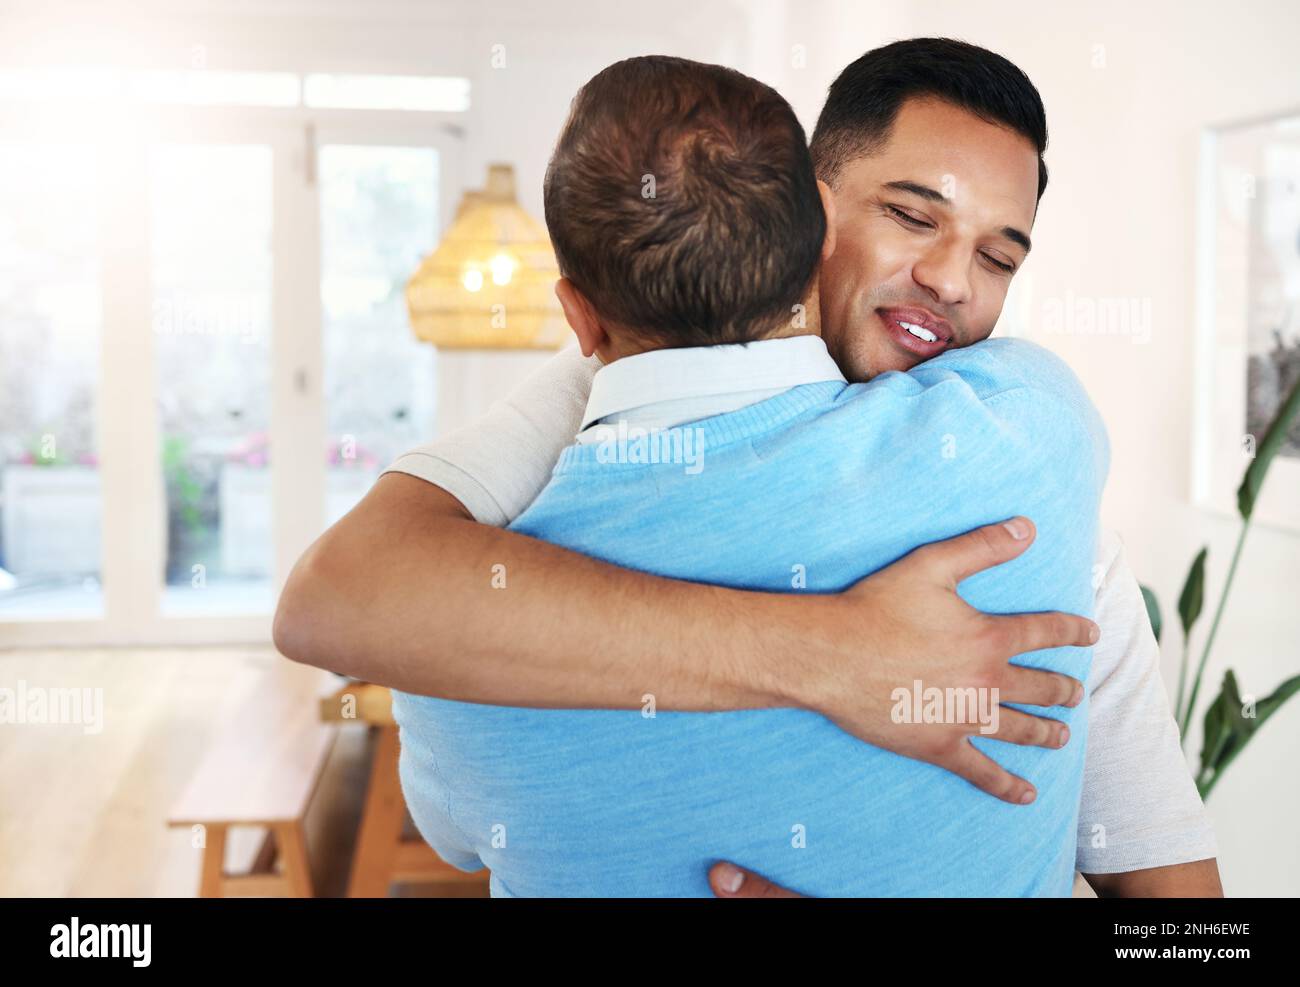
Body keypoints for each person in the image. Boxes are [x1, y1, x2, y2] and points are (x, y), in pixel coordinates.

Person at [275, 39, 1220, 896]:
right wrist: (836, 652)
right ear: (805, 210)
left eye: (998, 257)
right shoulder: (577, 407)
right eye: (910, 215)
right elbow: (336, 597)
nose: (953, 281)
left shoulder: (1039, 529)